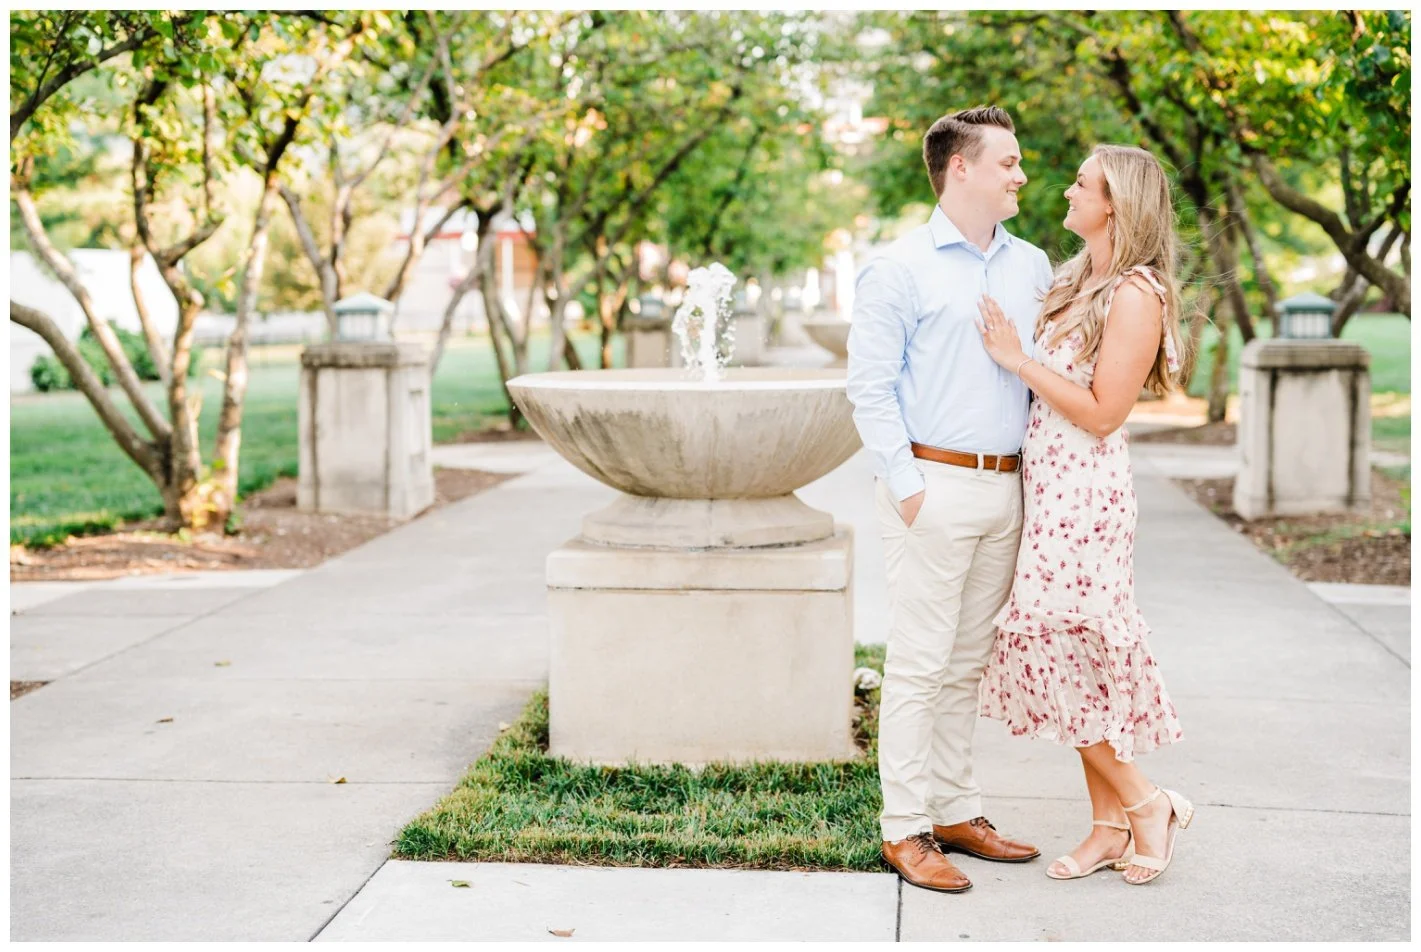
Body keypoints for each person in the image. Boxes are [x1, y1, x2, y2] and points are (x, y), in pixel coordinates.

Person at [846, 105, 1052, 894]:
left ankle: (958, 810)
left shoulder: (1031, 263)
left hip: (1007, 489)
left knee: (966, 666)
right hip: (932, 489)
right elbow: (868, 388)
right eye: (1007, 161)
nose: (1021, 175)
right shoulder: (898, 267)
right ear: (958, 168)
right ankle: (904, 828)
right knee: (920, 668)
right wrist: (907, 490)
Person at [974, 143, 1192, 886]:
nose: (1064, 190)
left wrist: (1017, 360)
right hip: (1049, 491)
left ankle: (1145, 801)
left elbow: (1104, 414)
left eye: (1081, 183)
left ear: (1115, 205)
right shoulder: (1076, 279)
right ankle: (1105, 828)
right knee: (1075, 660)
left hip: (1087, 500)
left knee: (1061, 651)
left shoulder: (1135, 293)